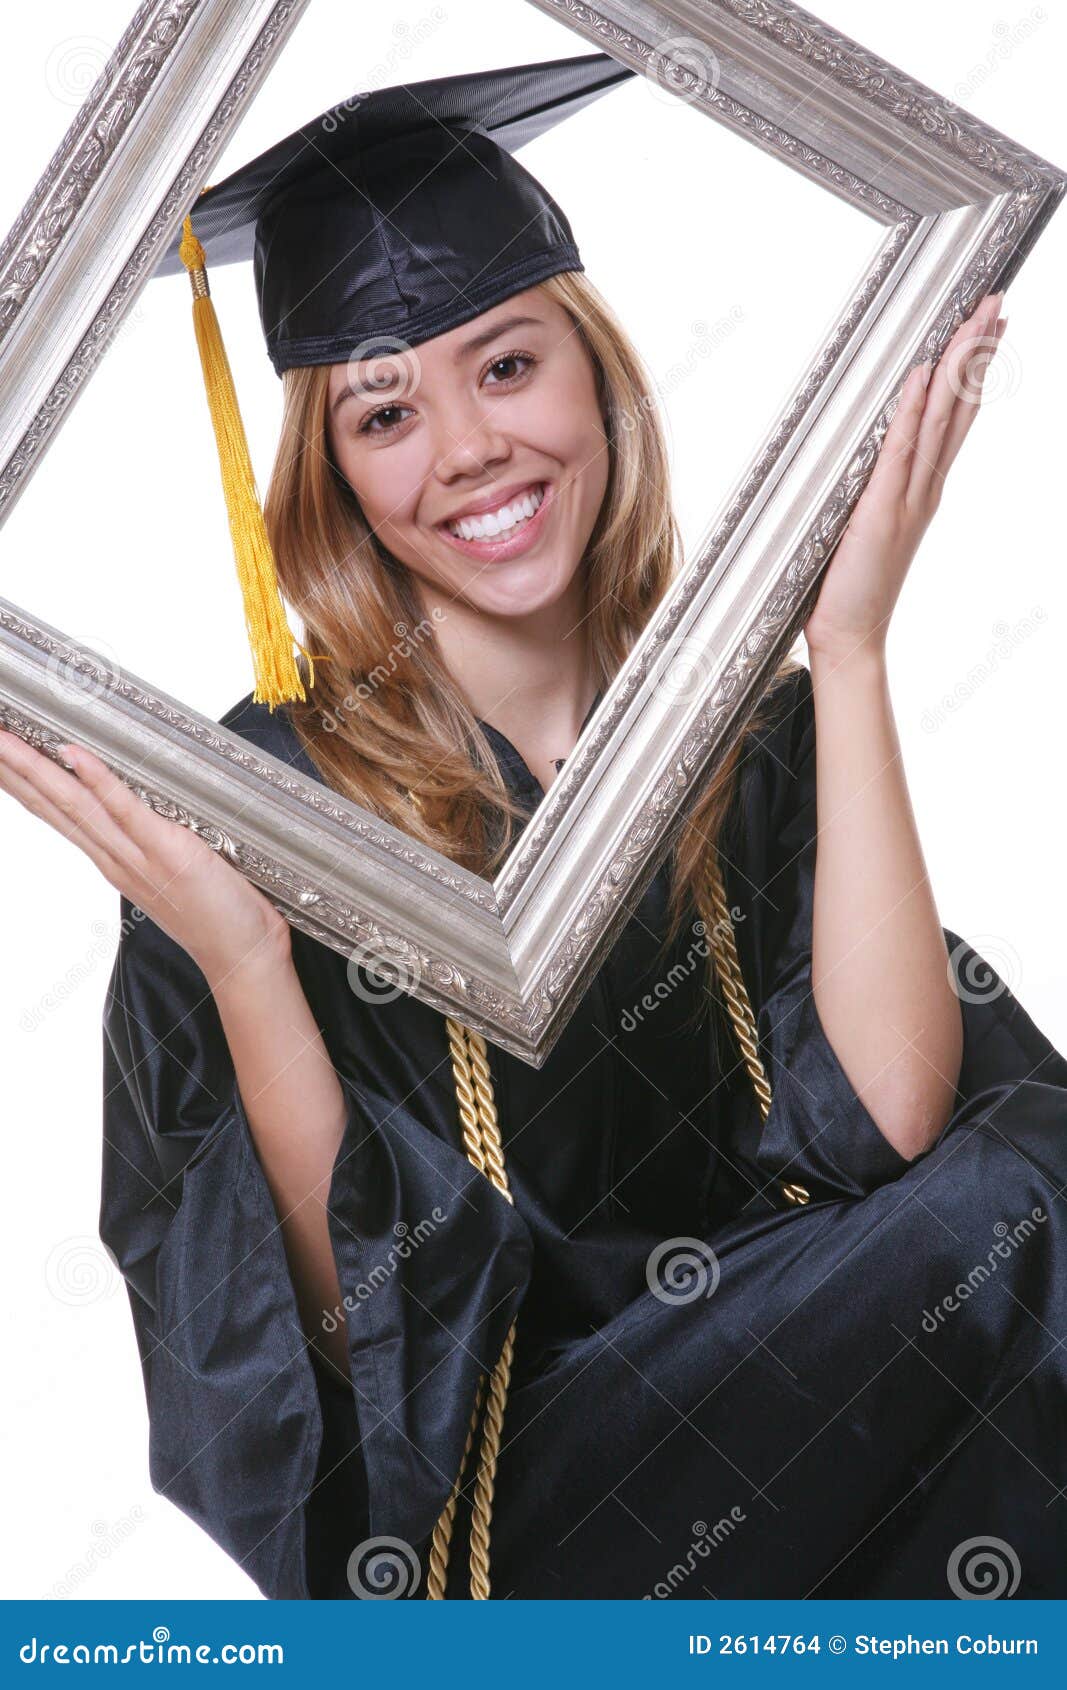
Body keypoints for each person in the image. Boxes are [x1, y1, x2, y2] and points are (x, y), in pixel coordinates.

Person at [0, 51, 1062, 1604]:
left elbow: (893, 1123)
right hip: (532, 1500)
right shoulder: (258, 797)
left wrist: (846, 653)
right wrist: (243, 962)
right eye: (384, 411)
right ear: (334, 477)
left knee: (1018, 1178)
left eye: (506, 366)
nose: (470, 449)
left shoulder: (730, 716)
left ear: (595, 374)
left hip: (806, 1379)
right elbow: (349, 1343)